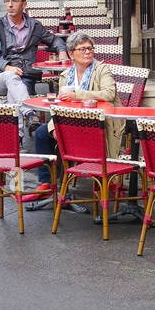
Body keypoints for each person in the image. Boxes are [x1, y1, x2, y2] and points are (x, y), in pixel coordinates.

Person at [29, 33, 123, 195]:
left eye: (90, 49)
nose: (88, 52)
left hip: (100, 121)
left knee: (77, 138)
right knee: (42, 133)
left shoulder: (102, 70)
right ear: (71, 54)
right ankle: (46, 183)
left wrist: (78, 95)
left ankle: (102, 180)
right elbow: (60, 106)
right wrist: (54, 128)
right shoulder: (66, 76)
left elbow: (109, 94)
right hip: (71, 120)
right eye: (83, 49)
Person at [0, 0, 69, 136]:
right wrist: (6, 67)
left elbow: (54, 40)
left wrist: (62, 51)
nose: (9, 5)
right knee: (10, 78)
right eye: (7, 1)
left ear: (23, 4)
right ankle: (29, 113)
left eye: (14, 1)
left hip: (26, 77)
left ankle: (16, 139)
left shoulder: (34, 27)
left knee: (14, 94)